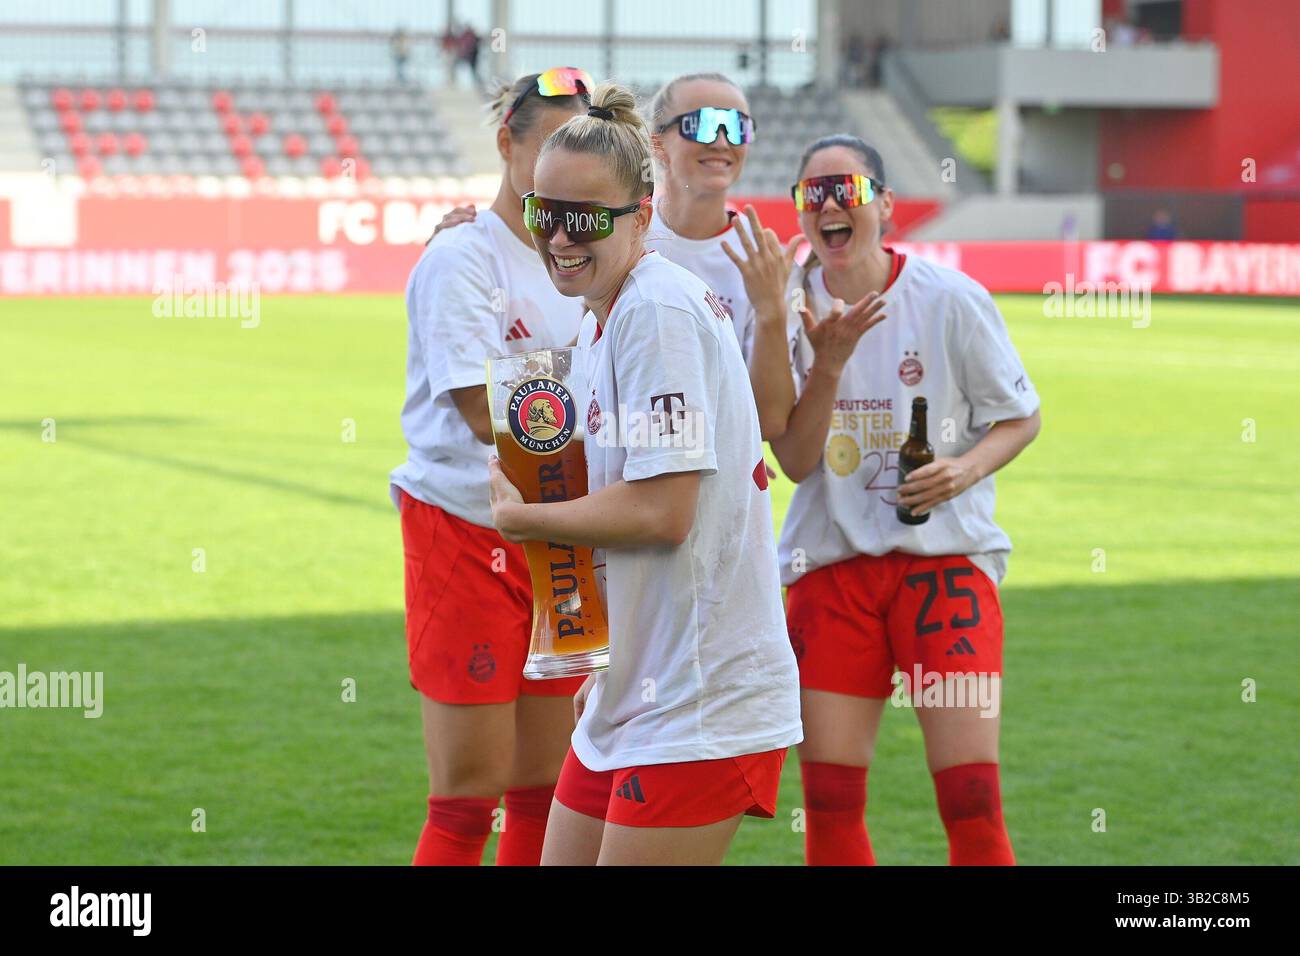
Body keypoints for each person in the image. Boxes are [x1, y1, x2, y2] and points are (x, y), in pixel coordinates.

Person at [487, 82, 802, 866]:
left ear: (642, 214)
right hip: (636, 689)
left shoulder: (655, 312)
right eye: (543, 212)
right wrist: (609, 657)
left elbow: (664, 513)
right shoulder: (605, 317)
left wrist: (530, 521)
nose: (559, 237)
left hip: (699, 699)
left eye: (585, 219)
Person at [767, 134, 1041, 866]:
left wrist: (964, 470)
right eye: (812, 193)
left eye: (847, 190)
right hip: (831, 572)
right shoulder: (782, 313)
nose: (829, 205)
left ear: (884, 205)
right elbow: (794, 462)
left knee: (972, 800)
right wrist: (825, 365)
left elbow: (1021, 416)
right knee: (827, 804)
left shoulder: (950, 299)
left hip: (944, 568)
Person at [389, 68, 594, 866]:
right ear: (507, 141)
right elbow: (482, 412)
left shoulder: (583, 260)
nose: (561, 173)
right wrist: (602, 391)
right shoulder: (463, 259)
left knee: (547, 783)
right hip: (467, 530)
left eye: (580, 152)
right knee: (469, 793)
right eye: (548, 147)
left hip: (565, 532)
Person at [436, 72, 798, 438]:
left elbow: (677, 481)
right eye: (701, 124)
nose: (721, 140)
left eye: (738, 126)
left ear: (640, 219)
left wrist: (720, 447)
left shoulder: (648, 287)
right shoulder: (595, 264)